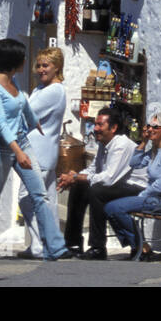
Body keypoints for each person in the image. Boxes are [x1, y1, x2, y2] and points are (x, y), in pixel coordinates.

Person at [0, 39, 70, 261]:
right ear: (13, 61)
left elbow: (25, 107)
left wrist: (31, 121)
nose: (32, 66)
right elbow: (1, 124)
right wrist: (18, 151)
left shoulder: (16, 85)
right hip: (2, 146)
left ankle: (54, 247)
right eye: (25, 59)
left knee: (38, 194)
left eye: (43, 65)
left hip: (25, 144)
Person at [57, 106, 142, 260]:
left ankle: (98, 247)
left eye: (100, 125)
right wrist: (75, 176)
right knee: (80, 186)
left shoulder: (121, 145)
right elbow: (93, 170)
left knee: (96, 191)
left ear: (114, 127)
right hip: (118, 185)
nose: (95, 128)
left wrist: (77, 177)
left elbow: (109, 178)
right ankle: (73, 243)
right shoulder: (104, 144)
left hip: (137, 187)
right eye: (95, 124)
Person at [105, 112, 161, 259]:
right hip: (154, 197)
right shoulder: (155, 151)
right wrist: (143, 142)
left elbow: (160, 186)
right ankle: (141, 247)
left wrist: (141, 196)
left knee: (115, 208)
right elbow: (134, 163)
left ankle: (139, 247)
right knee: (110, 207)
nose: (150, 129)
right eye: (149, 126)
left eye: (155, 127)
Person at [19, 47, 66, 258]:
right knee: (46, 199)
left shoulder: (54, 91)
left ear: (57, 67)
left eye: (45, 65)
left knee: (27, 197)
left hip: (39, 153)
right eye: (38, 65)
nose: (40, 69)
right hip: (40, 152)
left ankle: (40, 246)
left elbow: (26, 114)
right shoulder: (40, 89)